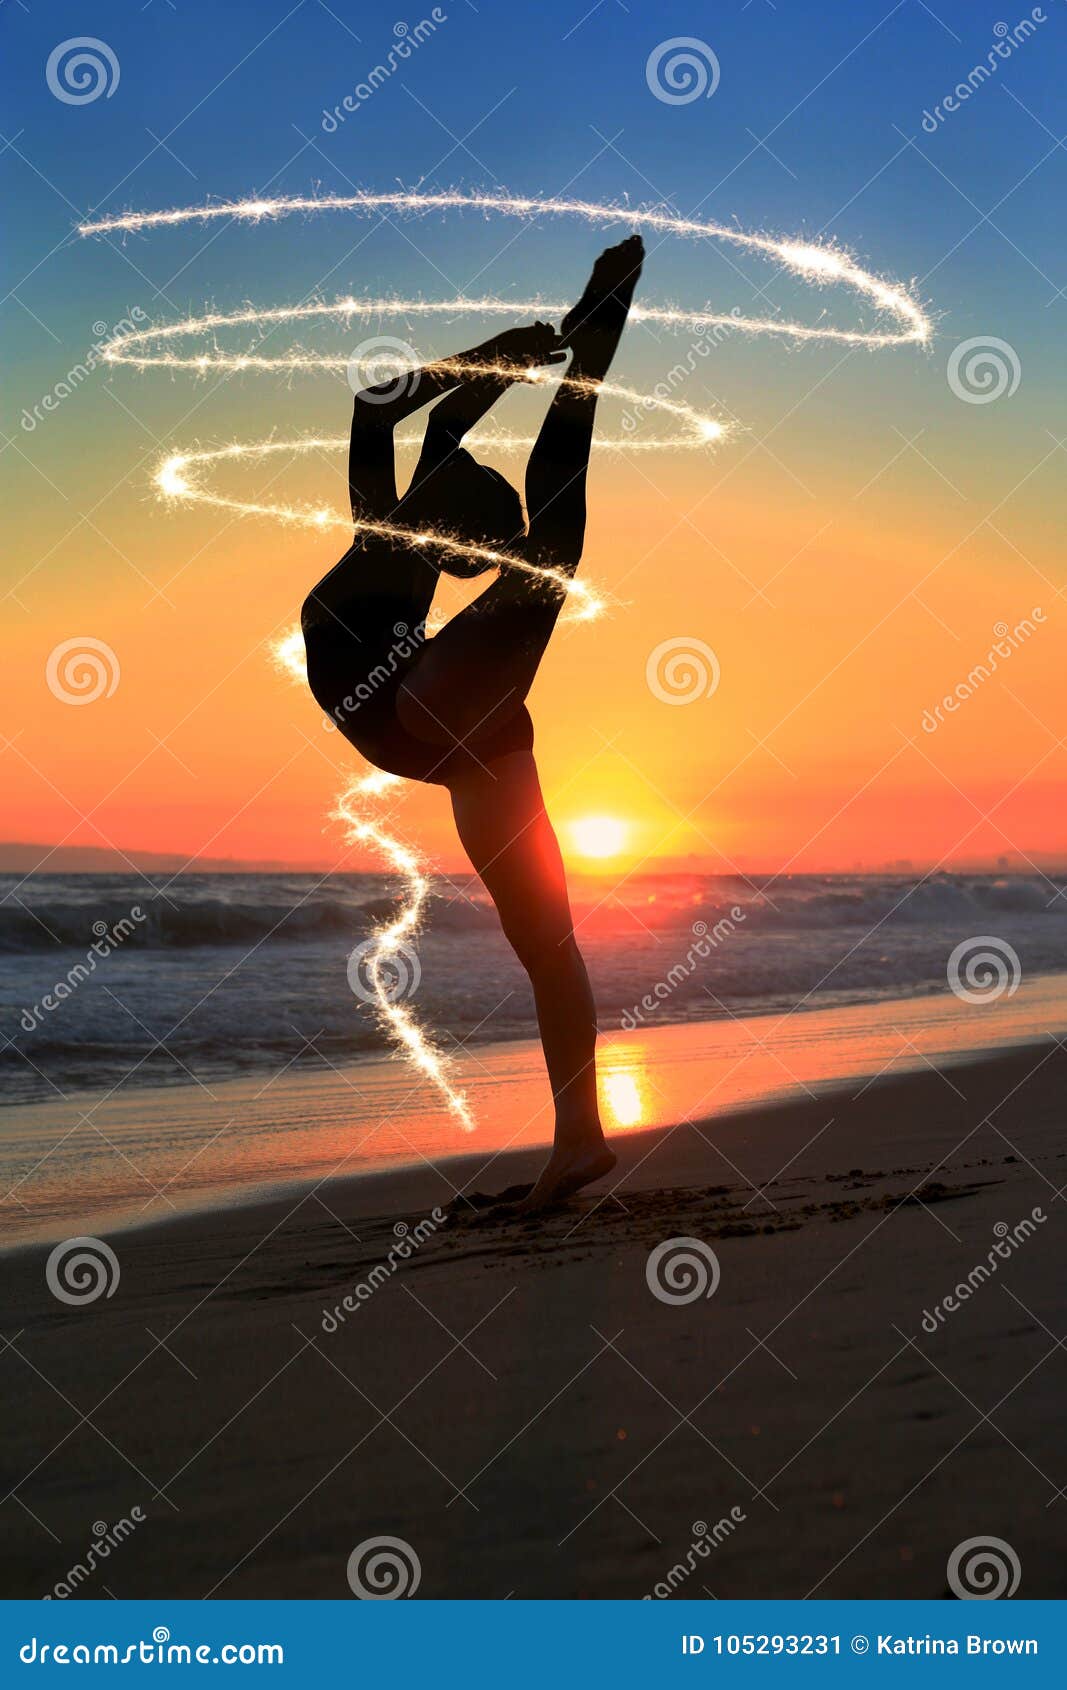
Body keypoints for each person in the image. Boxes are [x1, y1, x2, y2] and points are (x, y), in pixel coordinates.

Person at [302, 236, 644, 1212]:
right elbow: (422, 414)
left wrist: (501, 351)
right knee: (546, 942)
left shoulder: (384, 519)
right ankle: (575, 1140)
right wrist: (501, 349)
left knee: (546, 939)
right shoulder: (391, 519)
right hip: (454, 730)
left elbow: (398, 409)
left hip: (429, 718)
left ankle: (579, 1144)